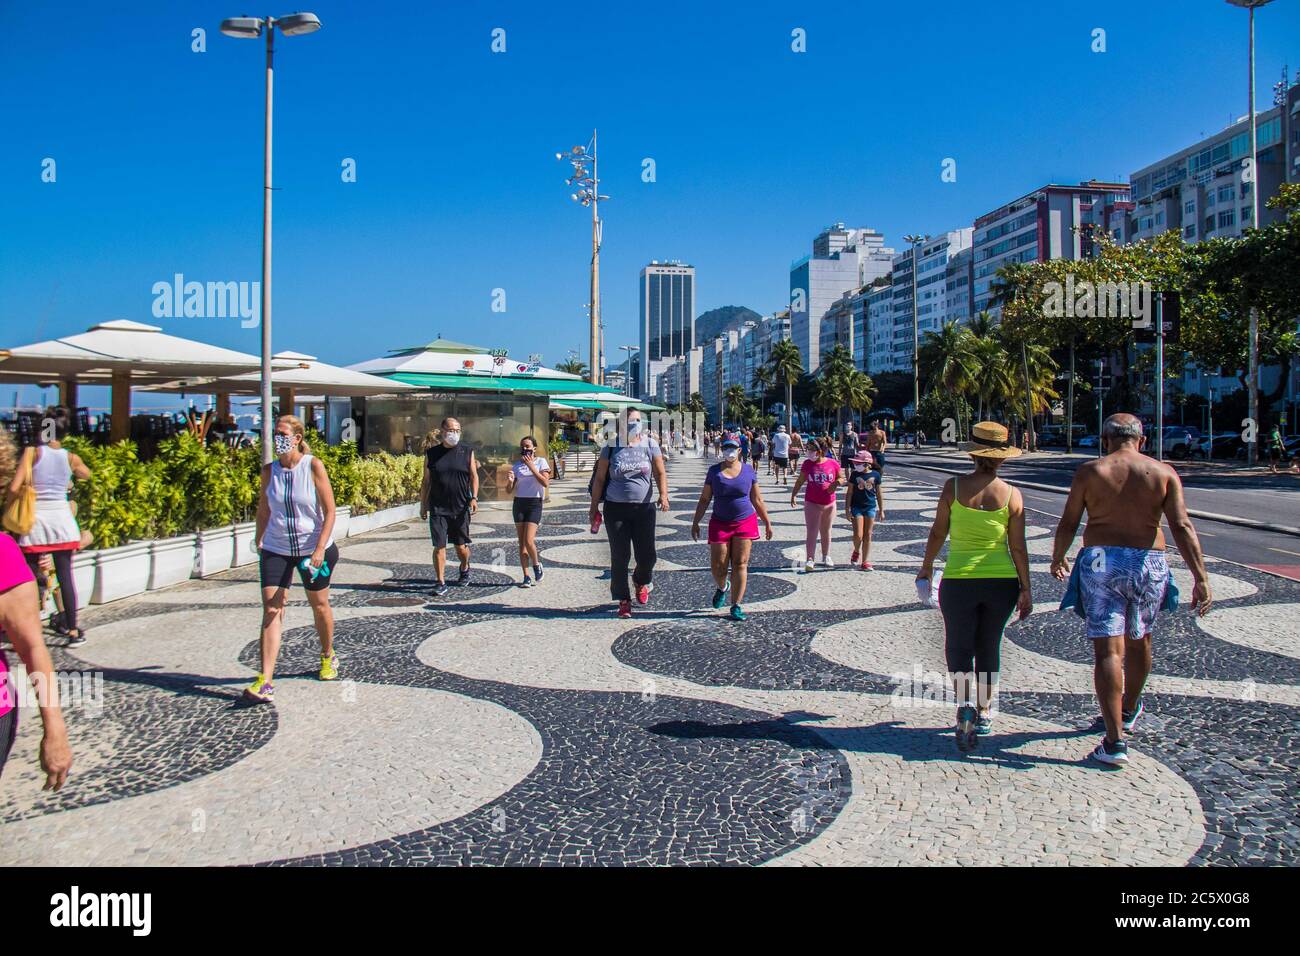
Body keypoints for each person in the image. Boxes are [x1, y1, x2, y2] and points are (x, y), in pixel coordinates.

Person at [1050, 413, 1212, 768]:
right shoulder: (1163, 473)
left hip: (1101, 561)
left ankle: (1114, 741)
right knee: (1141, 640)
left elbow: (1069, 521)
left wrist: (1058, 557)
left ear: (1106, 439)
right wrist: (1200, 577)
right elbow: (1181, 525)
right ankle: (1128, 709)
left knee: (1108, 650)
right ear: (1141, 440)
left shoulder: (1091, 472)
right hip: (1148, 561)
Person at [916, 422, 1033, 752]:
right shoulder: (1012, 495)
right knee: (989, 645)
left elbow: (938, 533)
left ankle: (965, 704)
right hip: (1002, 581)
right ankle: (983, 711)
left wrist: (926, 567)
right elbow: (1018, 547)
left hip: (958, 580)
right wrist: (1026, 588)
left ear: (973, 452)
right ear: (1002, 459)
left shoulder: (953, 488)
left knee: (957, 645)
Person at [245, 415, 340, 704]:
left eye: (283, 433)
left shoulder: (312, 466)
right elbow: (264, 509)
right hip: (276, 546)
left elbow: (331, 510)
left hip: (312, 548)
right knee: (272, 608)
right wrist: (259, 540)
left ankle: (327, 655)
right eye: (275, 433)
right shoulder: (268, 471)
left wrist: (320, 548)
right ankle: (265, 679)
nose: (278, 438)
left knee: (319, 605)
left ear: (297, 438)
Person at [10, 407, 91, 645]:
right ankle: (73, 629)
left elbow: (15, 488)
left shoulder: (32, 453)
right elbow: (87, 474)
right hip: (63, 522)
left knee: (33, 578)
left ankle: (30, 629)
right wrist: (67, 479)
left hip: (36, 523)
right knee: (66, 576)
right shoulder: (70, 457)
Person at [589, 409, 670, 618]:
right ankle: (623, 599)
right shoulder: (611, 446)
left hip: (644, 508)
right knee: (620, 555)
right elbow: (599, 478)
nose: (634, 423)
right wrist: (593, 507)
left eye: (637, 420)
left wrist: (664, 495)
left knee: (648, 556)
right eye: (630, 420)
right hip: (616, 509)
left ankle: (641, 580)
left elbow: (660, 472)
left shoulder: (650, 444)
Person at [691, 434, 774, 621]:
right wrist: (696, 521)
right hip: (720, 522)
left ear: (739, 450)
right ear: (722, 449)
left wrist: (767, 522)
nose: (729, 450)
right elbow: (705, 499)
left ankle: (736, 604)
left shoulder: (748, 470)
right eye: (726, 447)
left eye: (733, 447)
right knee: (718, 566)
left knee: (740, 563)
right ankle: (722, 587)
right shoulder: (714, 471)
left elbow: (757, 499)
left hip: (745, 521)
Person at [420, 417, 479, 598]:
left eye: (458, 430)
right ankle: (440, 582)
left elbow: (474, 476)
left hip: (460, 506)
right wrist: (423, 505)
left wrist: (474, 497)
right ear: (443, 431)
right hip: (438, 507)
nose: (455, 433)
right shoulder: (432, 454)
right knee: (439, 546)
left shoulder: (467, 451)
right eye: (452, 430)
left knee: (461, 547)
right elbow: (426, 481)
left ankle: (464, 566)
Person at [790, 437, 841, 572]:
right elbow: (800, 481)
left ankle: (826, 556)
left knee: (826, 530)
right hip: (812, 502)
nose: (809, 452)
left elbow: (841, 477)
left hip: (830, 503)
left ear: (820, 451)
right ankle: (810, 559)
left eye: (811, 450)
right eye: (808, 449)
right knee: (812, 531)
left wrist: (836, 483)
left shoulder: (833, 463)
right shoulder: (807, 464)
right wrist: (793, 495)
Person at [505, 435, 550, 588]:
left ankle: (536, 565)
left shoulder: (541, 462)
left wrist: (531, 467)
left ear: (534, 448)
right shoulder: (517, 465)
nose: (525, 449)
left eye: (528, 446)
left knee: (529, 540)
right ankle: (526, 576)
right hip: (519, 503)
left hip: (534, 503)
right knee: (521, 543)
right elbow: (509, 490)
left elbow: (545, 482)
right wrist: (510, 482)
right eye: (522, 446)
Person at [845, 451, 885, 570]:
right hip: (856, 507)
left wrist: (881, 509)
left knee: (868, 534)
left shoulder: (876, 475)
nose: (856, 465)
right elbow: (850, 492)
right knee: (858, 535)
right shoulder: (854, 474)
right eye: (855, 463)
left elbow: (879, 493)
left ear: (867, 463)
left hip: (870, 507)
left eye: (859, 463)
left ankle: (865, 561)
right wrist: (847, 509)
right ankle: (856, 550)